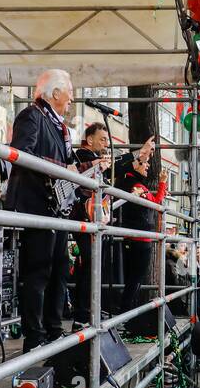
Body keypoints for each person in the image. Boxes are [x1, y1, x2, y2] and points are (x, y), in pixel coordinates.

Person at [3, 69, 76, 351]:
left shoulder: (57, 124)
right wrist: (61, 169)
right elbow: (22, 153)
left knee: (59, 269)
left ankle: (54, 329)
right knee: (38, 272)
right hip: (37, 205)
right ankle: (35, 335)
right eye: (69, 89)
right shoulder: (32, 115)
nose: (72, 96)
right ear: (55, 93)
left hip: (54, 208)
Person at [112, 135, 164, 318]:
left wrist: (163, 183)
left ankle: (129, 310)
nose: (148, 167)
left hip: (144, 235)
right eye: (145, 164)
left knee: (137, 277)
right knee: (134, 277)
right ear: (136, 165)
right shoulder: (129, 179)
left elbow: (156, 202)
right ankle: (126, 311)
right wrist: (141, 155)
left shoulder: (140, 184)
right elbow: (149, 203)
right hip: (137, 237)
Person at [67, 121, 113, 328]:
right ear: (90, 139)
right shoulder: (83, 157)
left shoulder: (95, 159)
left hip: (94, 218)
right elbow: (76, 178)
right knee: (90, 265)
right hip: (84, 217)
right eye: (102, 139)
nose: (105, 144)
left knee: (94, 265)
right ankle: (82, 314)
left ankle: (89, 310)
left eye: (106, 139)